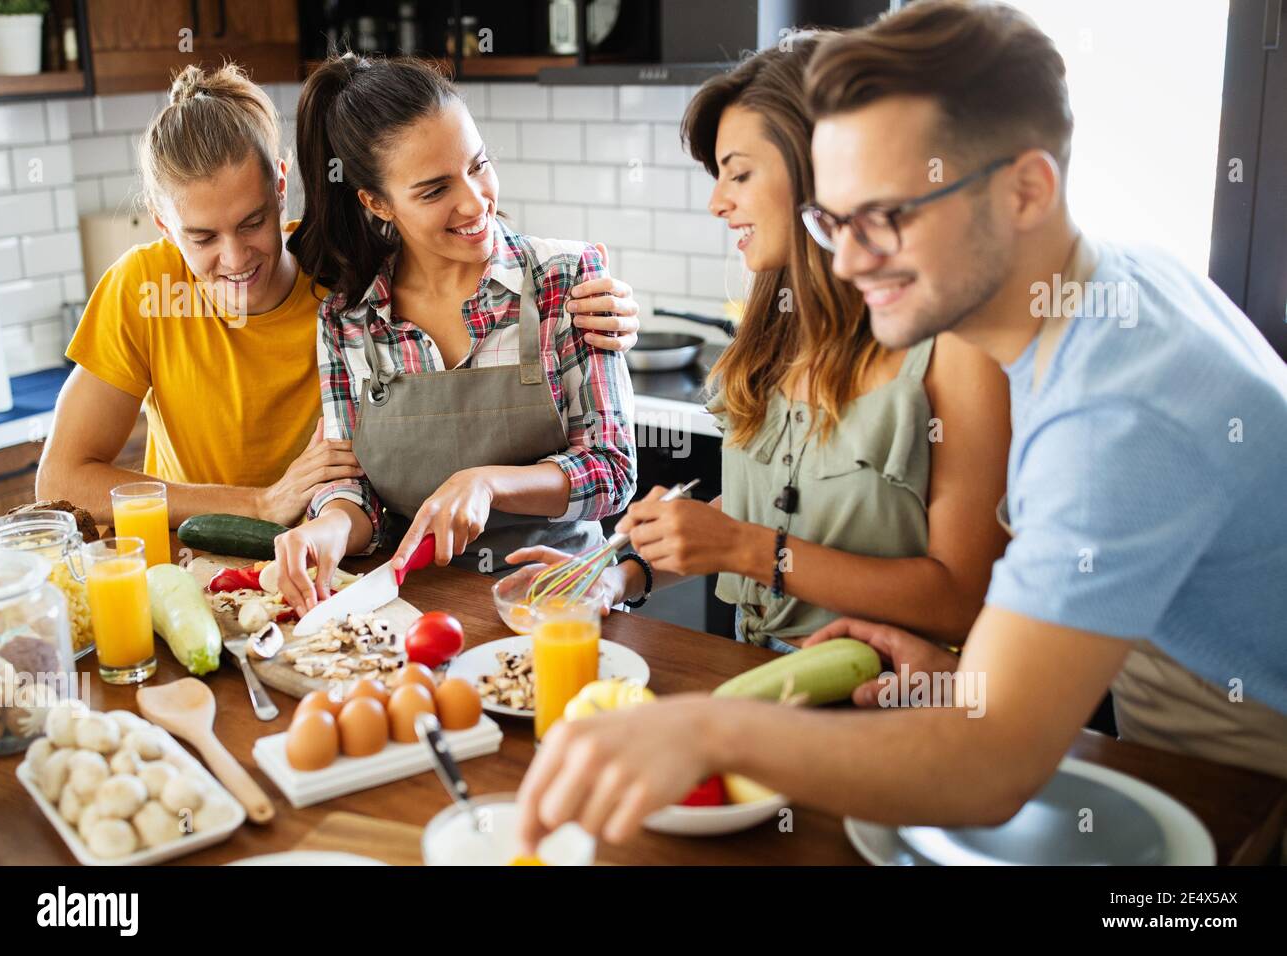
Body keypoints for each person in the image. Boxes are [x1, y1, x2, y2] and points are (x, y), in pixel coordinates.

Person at [516, 0, 1287, 850]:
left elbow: (992, 765)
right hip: (1163, 713)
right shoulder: (1095, 285)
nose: (846, 261)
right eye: (832, 222)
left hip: (1249, 749)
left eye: (884, 217)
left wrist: (710, 731)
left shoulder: (1113, 407)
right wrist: (962, 680)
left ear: (1028, 189)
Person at [507, 37, 1010, 652]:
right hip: (755, 676)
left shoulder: (956, 350)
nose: (719, 202)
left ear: (823, 167)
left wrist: (747, 551)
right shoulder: (773, 328)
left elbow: (961, 601)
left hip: (886, 704)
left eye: (740, 173)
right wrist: (619, 575)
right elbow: (762, 510)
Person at [37, 63, 640, 528]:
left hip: (345, 568)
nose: (236, 256)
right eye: (202, 237)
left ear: (279, 188)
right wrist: (259, 504)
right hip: (203, 562)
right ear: (165, 227)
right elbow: (61, 480)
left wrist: (607, 310)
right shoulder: (144, 289)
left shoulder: (344, 277)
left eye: (252, 222)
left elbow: (460, 248)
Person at [270, 54, 638, 614]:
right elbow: (353, 487)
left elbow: (613, 470)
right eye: (434, 189)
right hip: (406, 613)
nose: (474, 201)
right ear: (376, 202)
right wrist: (330, 529)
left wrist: (487, 483)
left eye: (479, 164)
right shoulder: (349, 320)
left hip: (558, 601)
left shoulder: (565, 279)